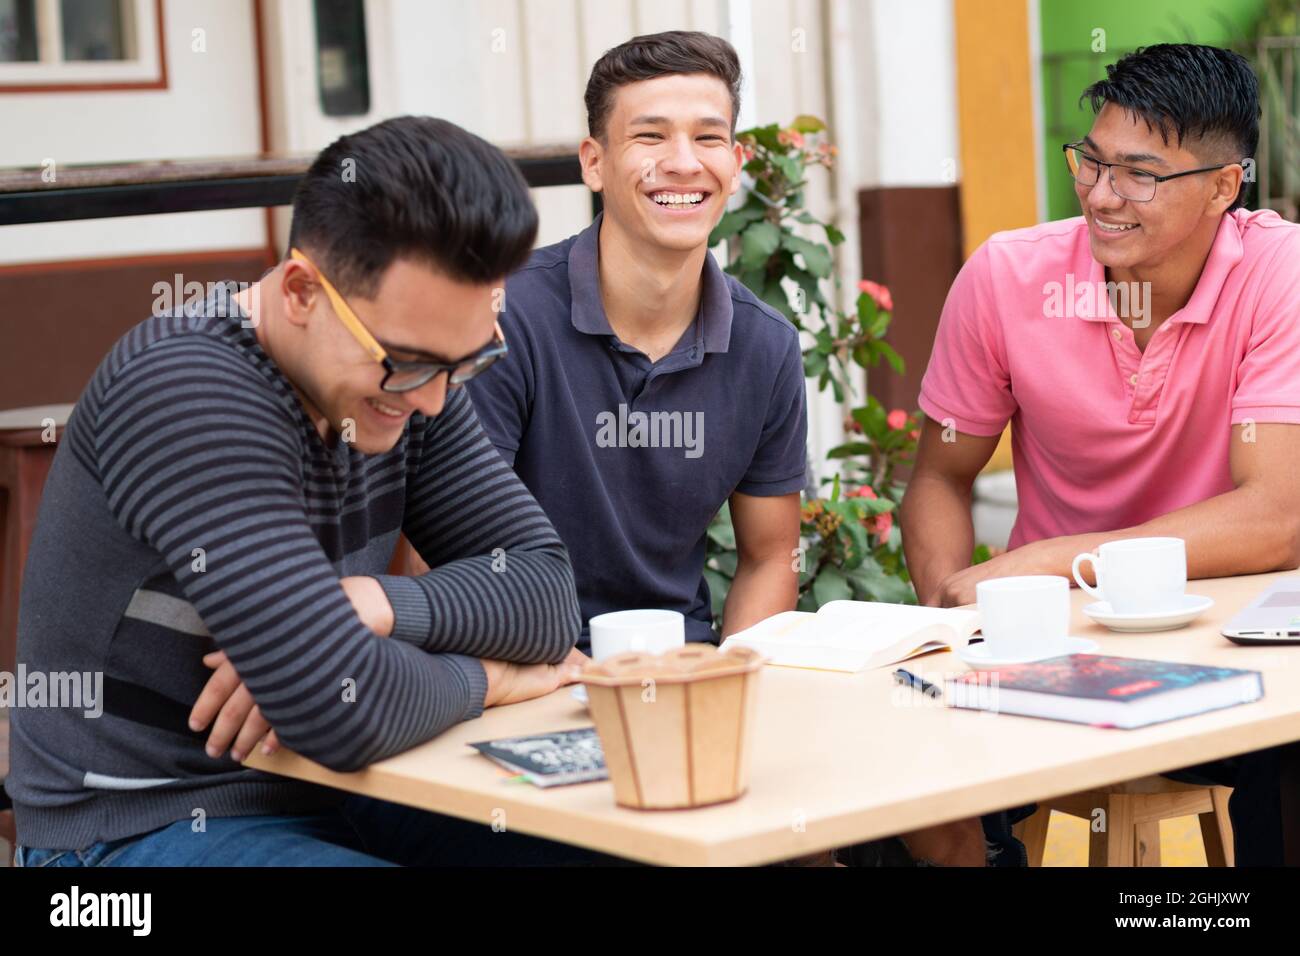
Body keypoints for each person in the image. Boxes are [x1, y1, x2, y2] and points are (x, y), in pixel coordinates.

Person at [9, 115, 611, 866]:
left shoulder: (415, 368)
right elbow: (340, 706)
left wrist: (378, 608)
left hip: (363, 786)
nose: (431, 401)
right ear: (299, 290)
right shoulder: (185, 391)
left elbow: (546, 594)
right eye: (410, 364)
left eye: (466, 363)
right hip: (134, 831)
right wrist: (492, 676)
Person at [466, 30, 985, 867]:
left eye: (707, 137)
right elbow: (438, 552)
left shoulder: (765, 346)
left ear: (735, 161)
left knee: (930, 820)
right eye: (650, 136)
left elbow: (768, 557)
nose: (683, 162)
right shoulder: (507, 320)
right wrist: (540, 671)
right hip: (523, 685)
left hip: (684, 683)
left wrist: (735, 682)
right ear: (594, 162)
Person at [901, 44, 1300, 865]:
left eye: (1140, 174)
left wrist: (1051, 562)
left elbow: (1277, 517)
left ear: (1225, 186)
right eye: (1092, 161)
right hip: (1059, 657)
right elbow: (940, 478)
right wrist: (955, 632)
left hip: (1240, 651)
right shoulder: (1007, 279)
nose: (1102, 195)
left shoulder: (1279, 272)